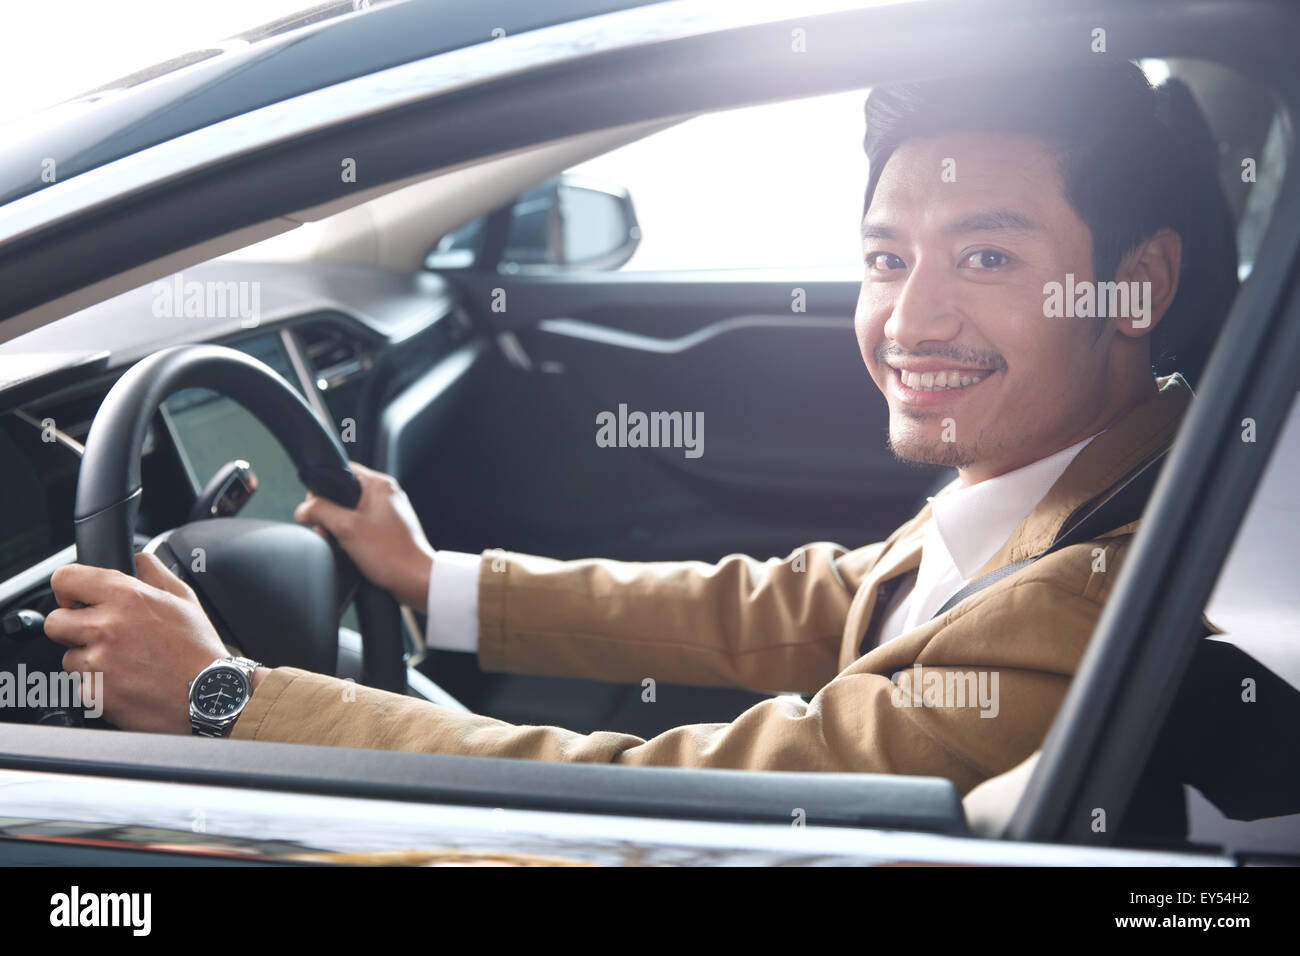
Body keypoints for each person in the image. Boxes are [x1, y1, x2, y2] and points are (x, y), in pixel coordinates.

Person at [44, 60, 1238, 796]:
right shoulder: (1083, 477)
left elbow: (679, 801)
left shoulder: (1090, 594)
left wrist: (225, 701)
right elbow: (806, 604)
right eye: (885, 258)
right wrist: (432, 577)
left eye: (986, 255)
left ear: (1136, 285)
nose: (909, 319)